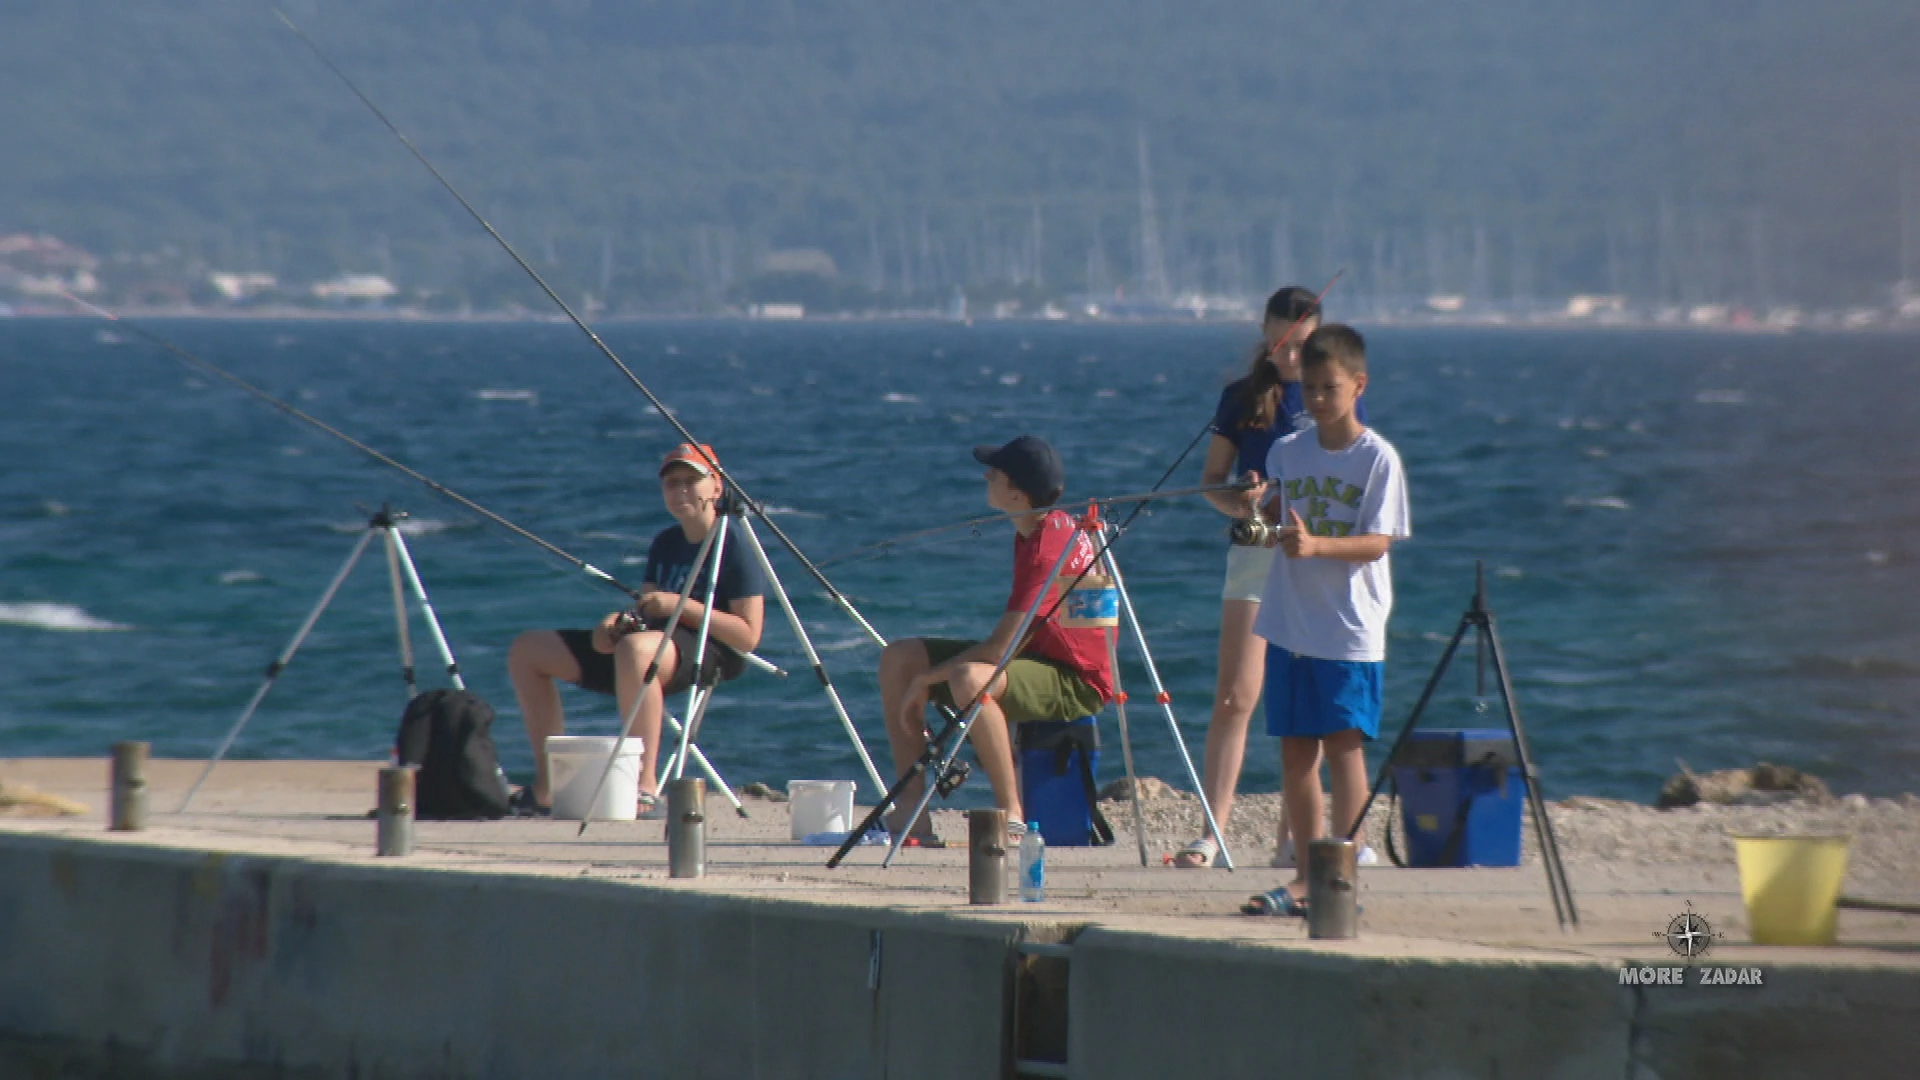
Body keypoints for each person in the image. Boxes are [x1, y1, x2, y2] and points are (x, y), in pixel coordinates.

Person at [1242, 325, 1410, 915]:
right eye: (1309, 387)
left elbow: (1379, 542)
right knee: (1295, 750)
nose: (1316, 399)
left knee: (1343, 747)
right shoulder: (1288, 450)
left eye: (1329, 387)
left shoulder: (1377, 458)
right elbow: (1275, 518)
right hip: (1290, 623)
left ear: (1358, 385)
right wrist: (1259, 513)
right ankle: (1307, 865)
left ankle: (1340, 872)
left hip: (1347, 626)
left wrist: (1316, 548)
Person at [877, 435, 1115, 844]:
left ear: (1018, 495)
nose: (987, 476)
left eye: (997, 473)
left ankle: (1012, 816)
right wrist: (921, 675)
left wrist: (927, 681)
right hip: (1038, 657)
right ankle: (912, 815)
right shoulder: (1044, 525)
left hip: (1076, 680)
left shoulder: (1046, 550)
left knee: (970, 678)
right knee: (899, 658)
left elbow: (999, 650)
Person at [506, 443, 765, 817]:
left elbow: (748, 635)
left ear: (716, 486)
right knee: (528, 650)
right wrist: (614, 625)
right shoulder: (665, 542)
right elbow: (648, 609)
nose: (679, 491)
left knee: (637, 651)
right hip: (653, 643)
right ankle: (548, 786)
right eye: (671, 483)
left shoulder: (735, 541)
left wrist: (679, 605)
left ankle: (644, 784)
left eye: (690, 481)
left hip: (711, 648)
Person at [1175, 285, 1328, 868]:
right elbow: (1212, 481)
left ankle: (1294, 838)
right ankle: (1211, 832)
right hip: (1257, 551)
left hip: (1314, 559)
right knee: (1236, 695)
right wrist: (1244, 501)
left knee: (1305, 698)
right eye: (1279, 340)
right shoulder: (1241, 397)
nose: (1288, 354)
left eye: (1301, 343)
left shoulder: (1331, 399)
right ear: (1265, 333)